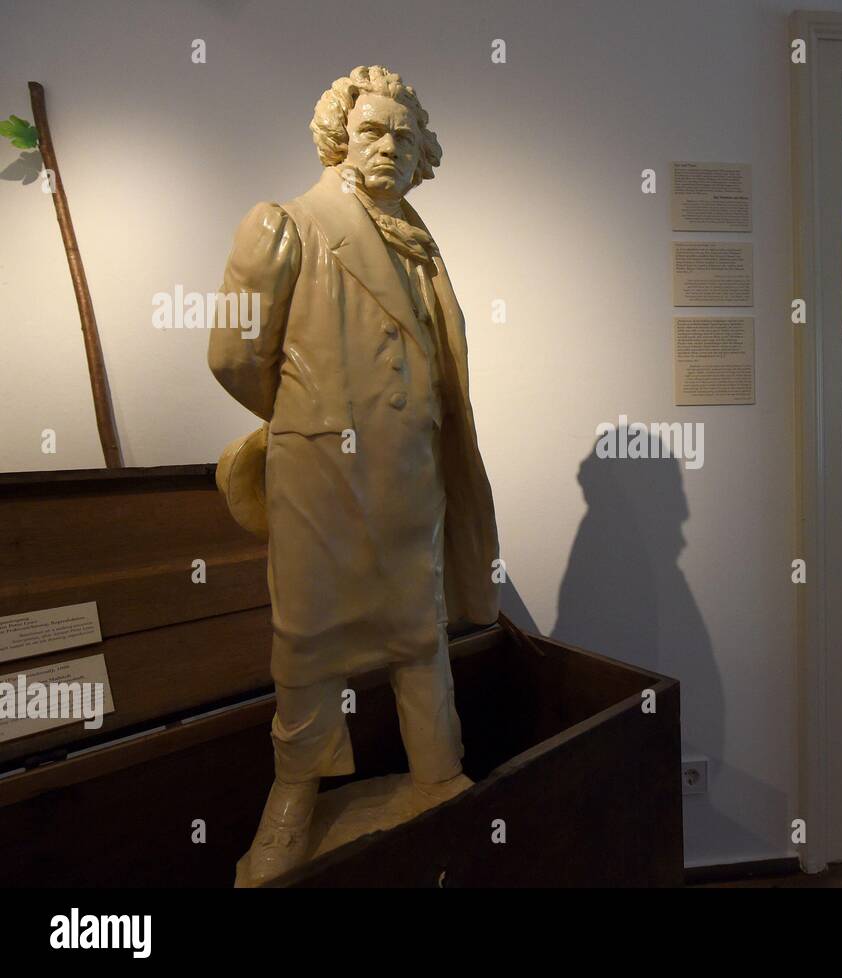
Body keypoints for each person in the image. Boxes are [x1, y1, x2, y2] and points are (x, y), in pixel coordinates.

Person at [208, 66, 500, 885]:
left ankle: (437, 771)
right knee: (307, 640)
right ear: (340, 135)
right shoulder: (286, 225)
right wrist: (314, 412)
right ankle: (293, 800)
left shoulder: (421, 245)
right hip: (320, 474)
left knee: (419, 628)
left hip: (412, 475)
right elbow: (233, 356)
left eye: (406, 137)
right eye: (374, 131)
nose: (390, 147)